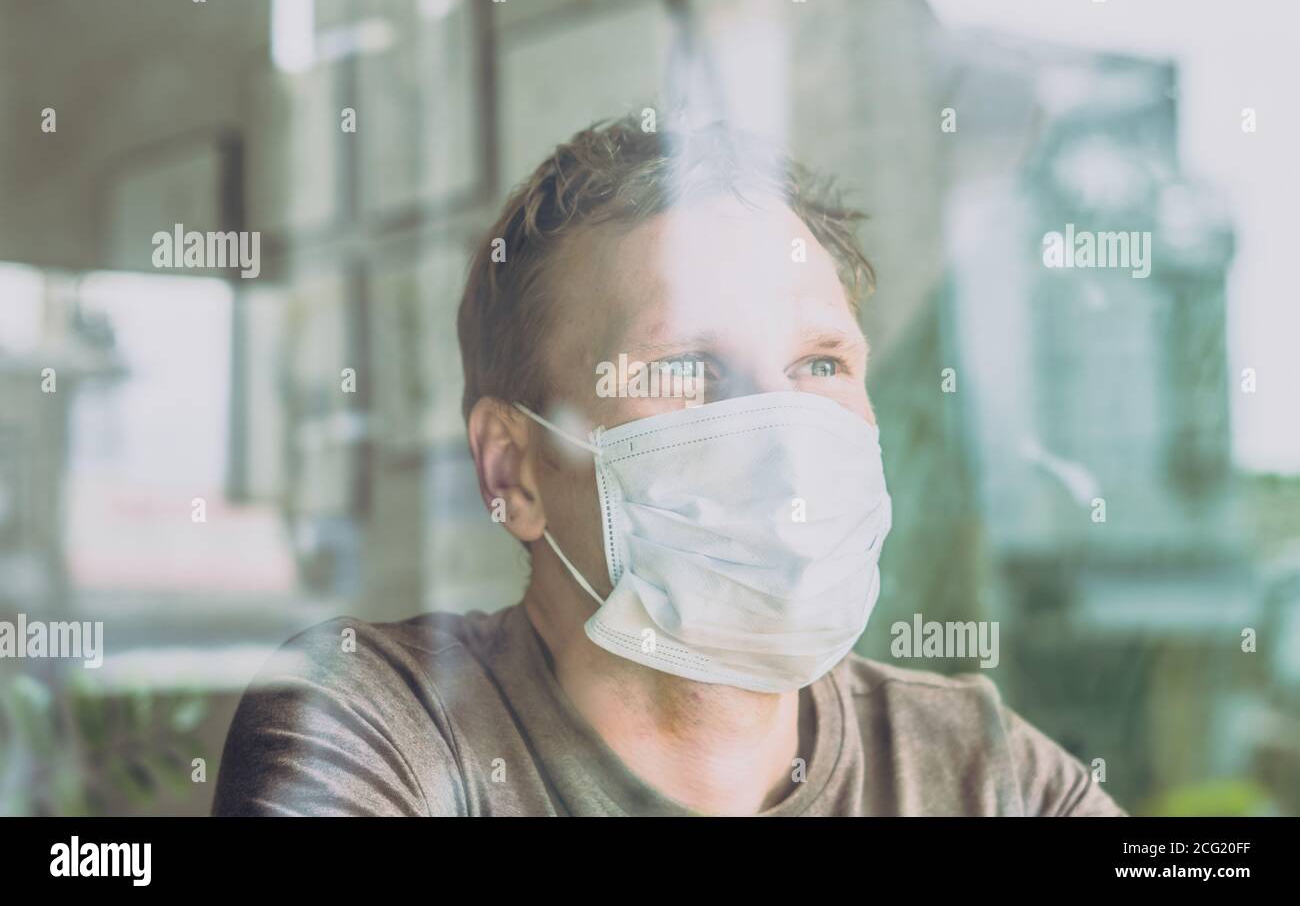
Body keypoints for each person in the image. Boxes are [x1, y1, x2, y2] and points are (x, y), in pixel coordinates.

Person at [212, 113, 1125, 816]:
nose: (781, 427)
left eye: (819, 365)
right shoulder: (384, 724)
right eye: (686, 368)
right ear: (512, 470)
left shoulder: (983, 769)